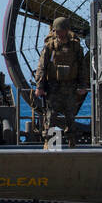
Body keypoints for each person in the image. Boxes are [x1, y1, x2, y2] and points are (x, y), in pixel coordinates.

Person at [34, 17, 88, 147]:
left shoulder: (75, 47)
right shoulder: (50, 46)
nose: (58, 33)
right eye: (56, 31)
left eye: (60, 30)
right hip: (54, 87)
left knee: (70, 116)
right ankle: (50, 142)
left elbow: (82, 67)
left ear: (66, 30)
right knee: (51, 116)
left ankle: (71, 141)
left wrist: (82, 85)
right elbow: (41, 67)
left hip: (70, 87)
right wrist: (39, 86)